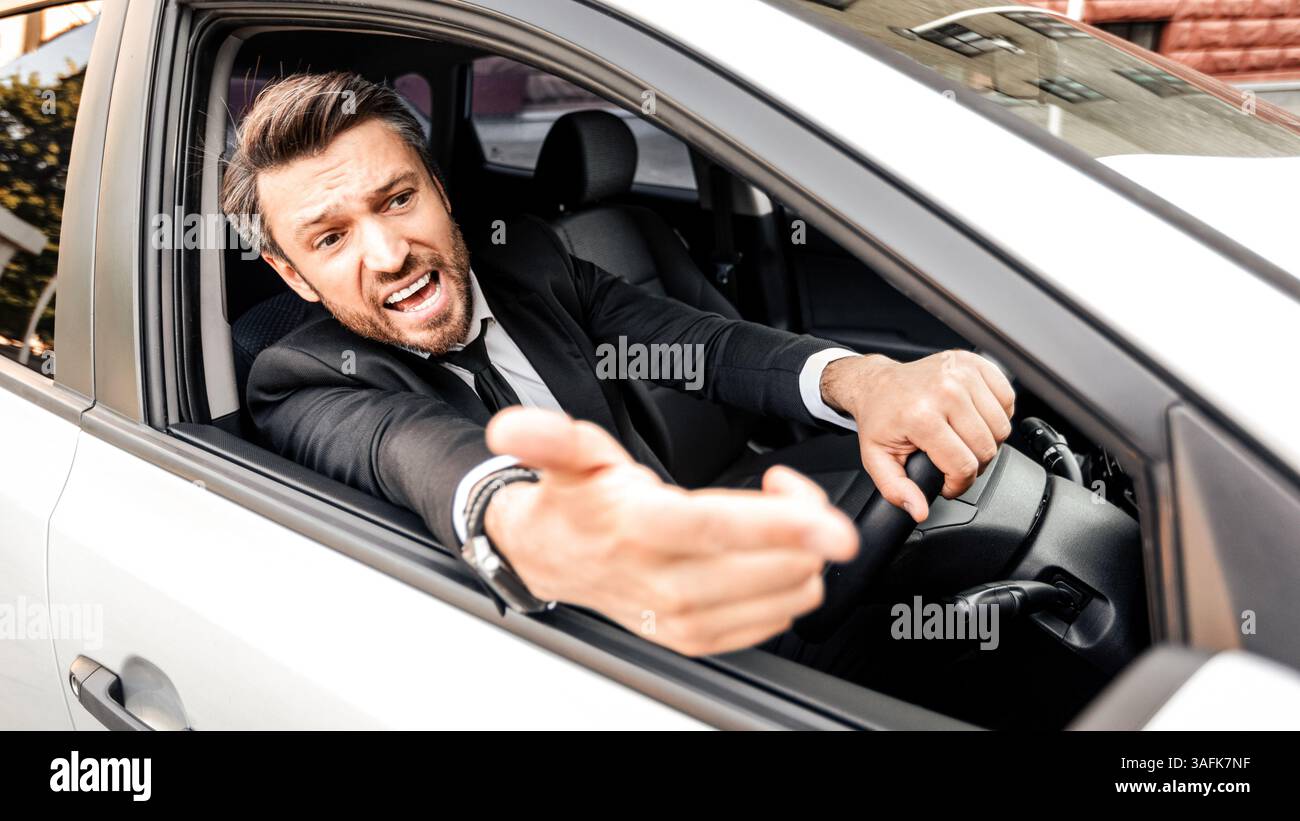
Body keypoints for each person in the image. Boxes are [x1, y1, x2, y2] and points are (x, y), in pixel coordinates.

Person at [224, 72, 1014, 658]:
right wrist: (548, 534)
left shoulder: (533, 265)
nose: (390, 254)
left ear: (439, 189)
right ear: (293, 274)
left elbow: (706, 345)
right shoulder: (300, 377)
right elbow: (421, 456)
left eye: (398, 200)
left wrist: (866, 380)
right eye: (331, 239)